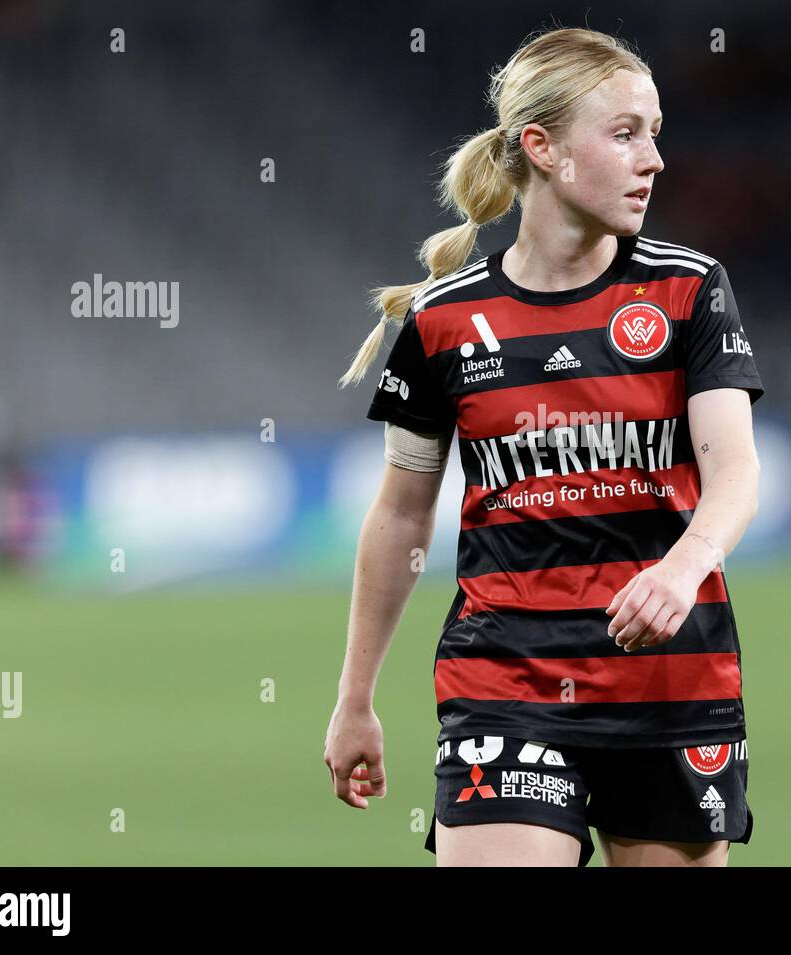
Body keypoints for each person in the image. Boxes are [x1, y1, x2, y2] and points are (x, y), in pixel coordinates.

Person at [325, 26, 764, 867]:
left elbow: (736, 471)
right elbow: (401, 516)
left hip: (668, 677)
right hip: (506, 683)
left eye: (657, 133)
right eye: (627, 133)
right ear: (544, 148)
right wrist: (356, 698)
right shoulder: (443, 320)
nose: (655, 160)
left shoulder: (688, 290)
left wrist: (681, 568)